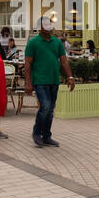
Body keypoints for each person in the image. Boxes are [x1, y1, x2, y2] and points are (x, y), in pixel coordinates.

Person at [23, 17, 75, 148]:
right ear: (39, 27)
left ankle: (46, 136)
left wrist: (70, 77)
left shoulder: (57, 42)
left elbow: (64, 61)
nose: (48, 26)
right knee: (45, 107)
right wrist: (28, 83)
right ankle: (37, 133)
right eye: (45, 24)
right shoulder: (33, 43)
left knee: (50, 110)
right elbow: (27, 64)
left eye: (49, 24)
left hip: (54, 80)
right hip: (40, 80)